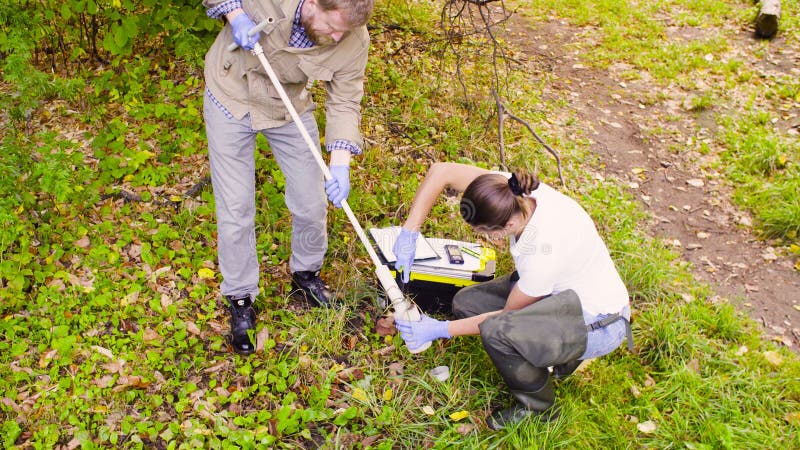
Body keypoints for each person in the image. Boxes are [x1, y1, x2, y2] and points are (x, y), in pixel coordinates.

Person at [391, 162, 633, 430]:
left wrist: (441, 329)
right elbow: (441, 171)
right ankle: (557, 353)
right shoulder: (508, 189)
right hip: (560, 293)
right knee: (467, 304)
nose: (481, 236)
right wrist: (409, 232)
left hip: (598, 322)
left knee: (497, 332)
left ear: (509, 223)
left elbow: (507, 316)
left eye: (485, 232)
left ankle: (539, 408)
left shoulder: (543, 251)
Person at [202, 0, 374, 355]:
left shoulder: (353, 40)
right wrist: (233, 14)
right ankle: (240, 296)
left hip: (288, 106)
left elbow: (345, 100)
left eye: (345, 31)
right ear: (312, 4)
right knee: (236, 208)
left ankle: (306, 274)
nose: (338, 36)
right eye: (333, 25)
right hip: (231, 94)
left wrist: (340, 161)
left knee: (311, 199)